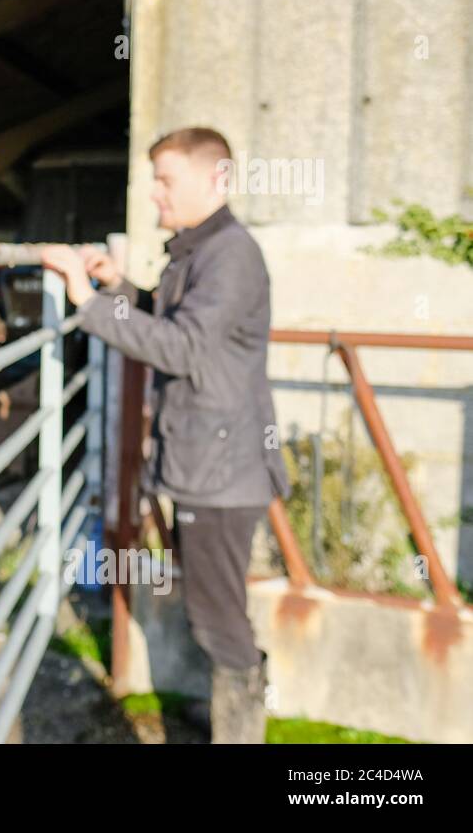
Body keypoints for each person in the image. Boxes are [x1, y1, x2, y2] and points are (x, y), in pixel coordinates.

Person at [38, 126, 291, 744]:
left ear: (216, 179)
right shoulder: (199, 250)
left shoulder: (230, 253)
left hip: (222, 475)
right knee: (212, 615)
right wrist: (118, 289)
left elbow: (183, 346)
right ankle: (231, 721)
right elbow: (165, 317)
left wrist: (84, 301)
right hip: (208, 466)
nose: (154, 194)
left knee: (217, 622)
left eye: (166, 180)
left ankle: (239, 732)